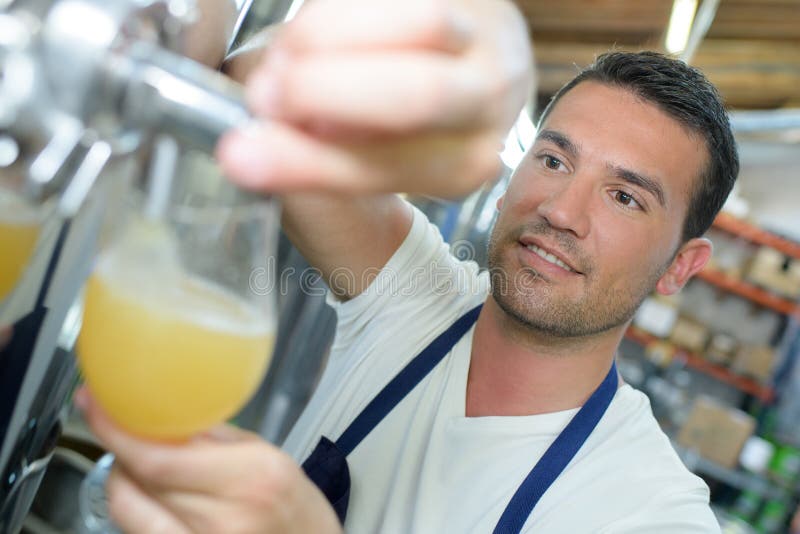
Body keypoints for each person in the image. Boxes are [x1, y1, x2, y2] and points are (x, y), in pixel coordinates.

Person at [75, 1, 739, 533]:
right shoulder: (420, 302)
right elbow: (256, 94)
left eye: (625, 197)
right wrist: (459, 27)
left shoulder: (648, 511)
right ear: (509, 180)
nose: (563, 210)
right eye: (555, 160)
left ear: (680, 268)